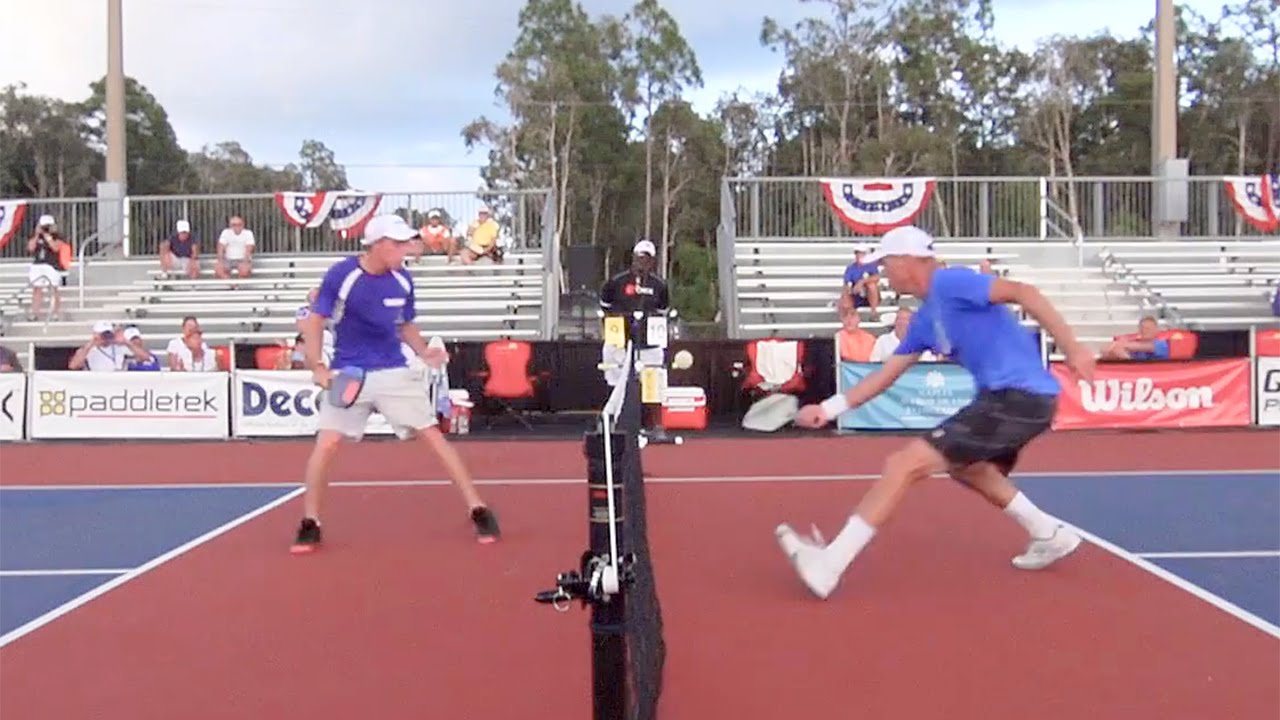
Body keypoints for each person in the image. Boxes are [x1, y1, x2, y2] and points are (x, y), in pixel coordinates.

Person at [776, 226, 1096, 600]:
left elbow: (1025, 293)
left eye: (887, 264)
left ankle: (829, 566)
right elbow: (885, 376)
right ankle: (1048, 533)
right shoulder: (925, 319)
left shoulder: (951, 282)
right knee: (967, 467)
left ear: (910, 262)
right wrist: (828, 408)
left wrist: (1073, 349)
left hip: (1021, 396)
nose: (884, 274)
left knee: (902, 465)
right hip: (1002, 399)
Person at [291, 214, 500, 553]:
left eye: (406, 242)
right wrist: (317, 365)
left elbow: (405, 325)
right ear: (377, 245)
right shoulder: (343, 275)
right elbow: (315, 320)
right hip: (348, 372)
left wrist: (424, 352)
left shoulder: (403, 280)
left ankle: (478, 508)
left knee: (433, 435)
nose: (406, 249)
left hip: (393, 370)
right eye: (398, 243)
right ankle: (310, 522)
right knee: (326, 444)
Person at [599, 239, 671, 435]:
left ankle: (656, 426)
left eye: (647, 258)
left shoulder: (659, 285)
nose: (642, 262)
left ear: (653, 261)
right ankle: (612, 421)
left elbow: (662, 311)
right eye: (639, 257)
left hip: (649, 343)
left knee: (653, 382)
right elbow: (605, 308)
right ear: (633, 258)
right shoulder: (616, 282)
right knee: (615, 380)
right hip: (620, 340)